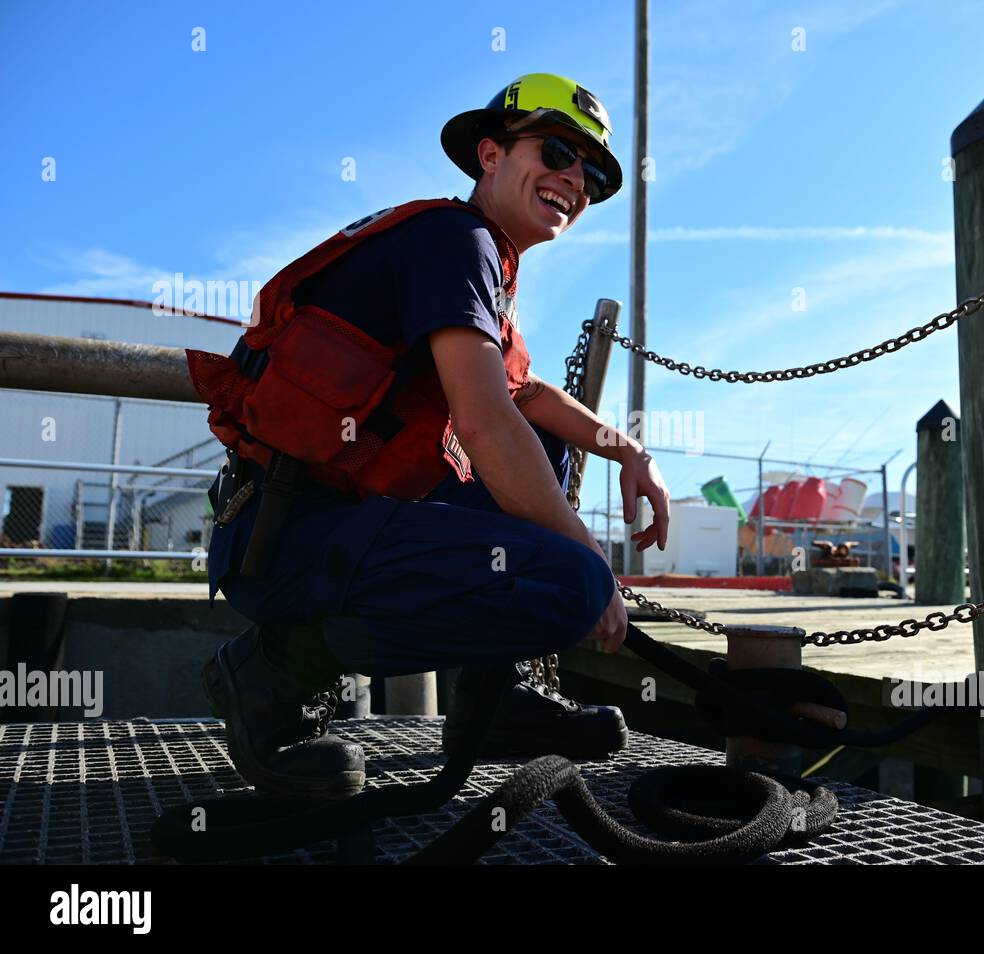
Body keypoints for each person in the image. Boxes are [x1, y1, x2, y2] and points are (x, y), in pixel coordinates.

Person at [190, 73, 670, 800]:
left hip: (315, 524)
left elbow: (522, 393)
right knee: (564, 581)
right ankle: (271, 675)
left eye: (594, 172)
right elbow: (480, 420)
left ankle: (492, 701)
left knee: (544, 443)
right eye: (557, 151)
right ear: (489, 154)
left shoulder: (469, 254)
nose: (575, 180)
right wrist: (587, 559)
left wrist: (628, 449)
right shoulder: (457, 242)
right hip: (284, 536)